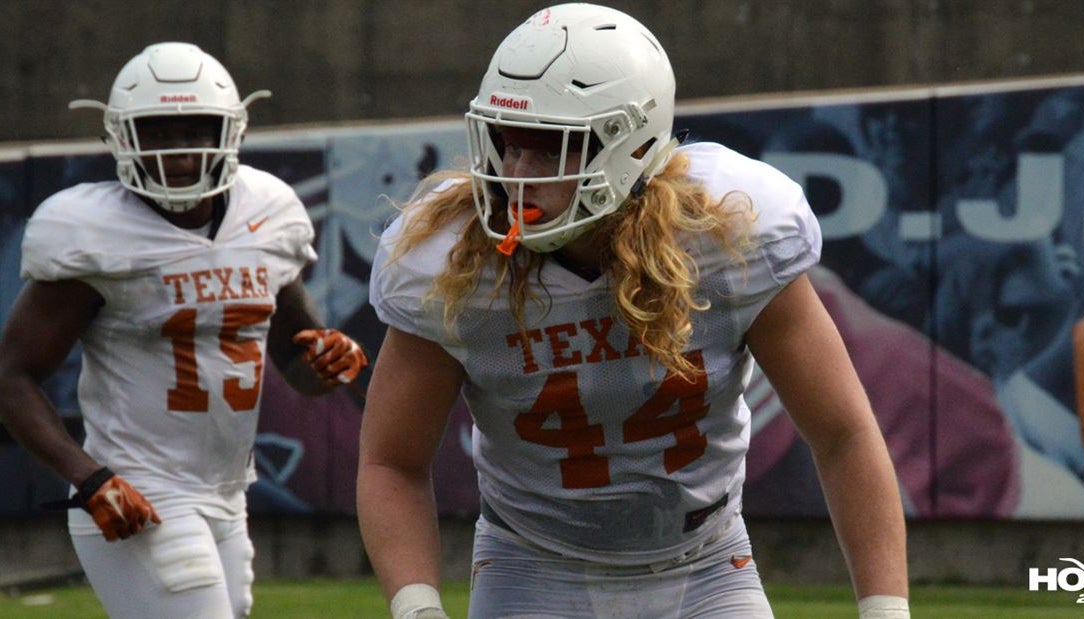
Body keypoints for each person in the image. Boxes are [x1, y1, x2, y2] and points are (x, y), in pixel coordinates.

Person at [358, 4, 909, 618]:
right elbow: (392, 463)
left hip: (705, 567)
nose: (514, 175)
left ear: (631, 145)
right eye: (507, 144)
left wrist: (886, 611)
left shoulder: (728, 232)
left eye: (548, 150)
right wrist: (417, 609)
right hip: (532, 567)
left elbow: (842, 434)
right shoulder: (450, 262)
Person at [0, 42, 368, 619]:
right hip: (137, 489)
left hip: (226, 492)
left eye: (196, 130)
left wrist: (330, 363)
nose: (178, 151)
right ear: (121, 137)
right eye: (157, 132)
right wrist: (89, 477)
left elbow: (300, 362)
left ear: (232, 130)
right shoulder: (93, 230)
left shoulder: (268, 212)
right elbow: (12, 377)